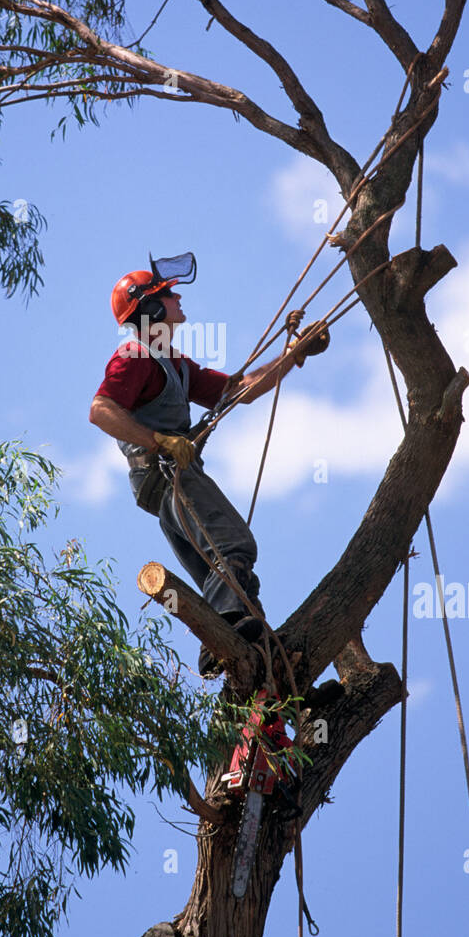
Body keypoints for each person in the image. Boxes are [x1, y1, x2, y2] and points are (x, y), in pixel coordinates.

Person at [89, 253, 330, 676]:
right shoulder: (134, 354)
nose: (178, 298)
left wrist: (294, 354)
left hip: (170, 481)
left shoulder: (174, 364)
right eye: (167, 295)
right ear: (149, 308)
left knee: (230, 577)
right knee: (235, 546)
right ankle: (226, 637)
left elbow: (241, 390)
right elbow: (101, 410)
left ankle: (254, 664)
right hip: (165, 477)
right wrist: (158, 441)